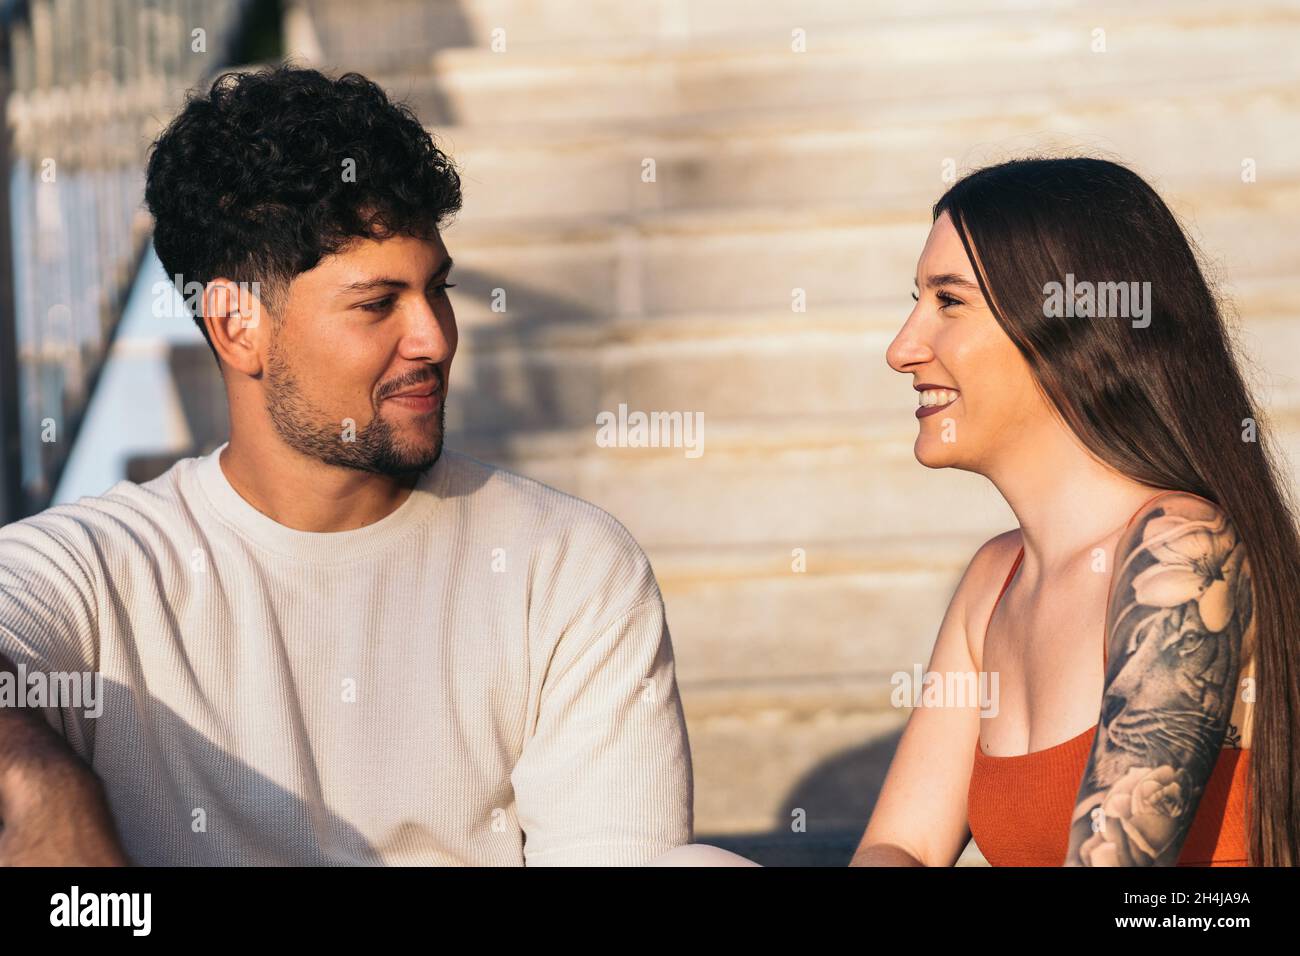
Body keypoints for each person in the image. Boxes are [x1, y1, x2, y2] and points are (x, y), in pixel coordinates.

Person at [0, 63, 692, 866]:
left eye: (437, 290)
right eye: (377, 304)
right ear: (237, 329)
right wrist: (43, 789)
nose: (434, 338)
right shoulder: (95, 573)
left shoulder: (565, 567)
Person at [852, 157, 1300, 867]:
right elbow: (899, 843)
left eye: (949, 303)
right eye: (917, 301)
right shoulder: (994, 580)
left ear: (1070, 328)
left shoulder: (1184, 551)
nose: (902, 348)